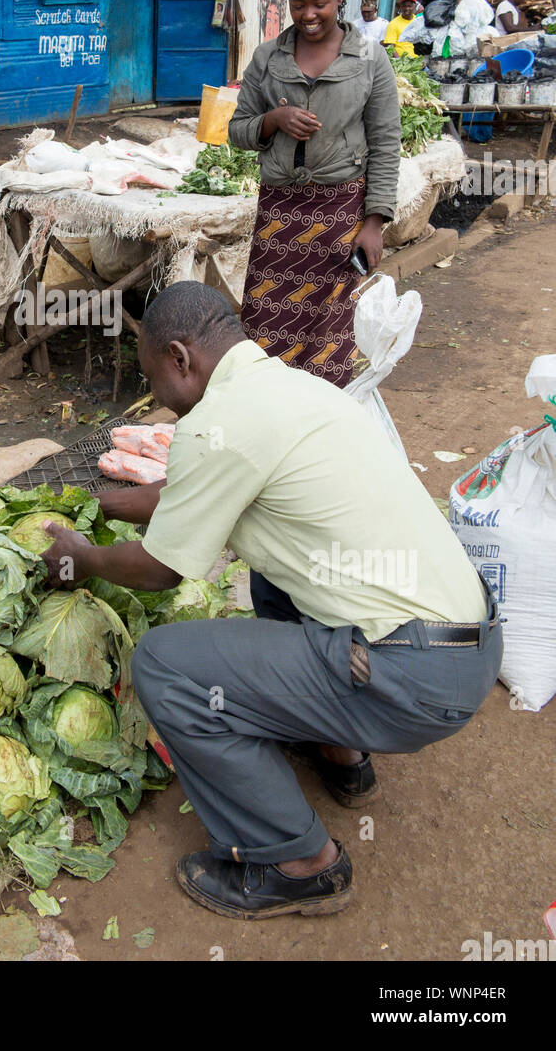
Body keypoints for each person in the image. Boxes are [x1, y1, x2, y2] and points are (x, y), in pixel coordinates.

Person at [40, 282, 502, 921]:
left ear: (180, 358)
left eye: (153, 380)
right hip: (466, 641)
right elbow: (234, 487)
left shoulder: (215, 425)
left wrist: (79, 557)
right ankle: (344, 757)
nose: (156, 402)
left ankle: (300, 865)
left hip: (415, 676)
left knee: (164, 665)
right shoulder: (296, 388)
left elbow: (159, 572)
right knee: (273, 575)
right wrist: (124, 503)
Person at [229, 0, 401, 388]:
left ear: (339, 1)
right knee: (266, 321)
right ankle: (269, 413)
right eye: (298, 4)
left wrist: (375, 222)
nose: (308, 14)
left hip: (340, 215)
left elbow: (385, 143)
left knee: (331, 331)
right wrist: (273, 121)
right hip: (281, 214)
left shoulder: (368, 59)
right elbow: (237, 129)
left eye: (319, 4)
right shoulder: (268, 59)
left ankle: (325, 418)